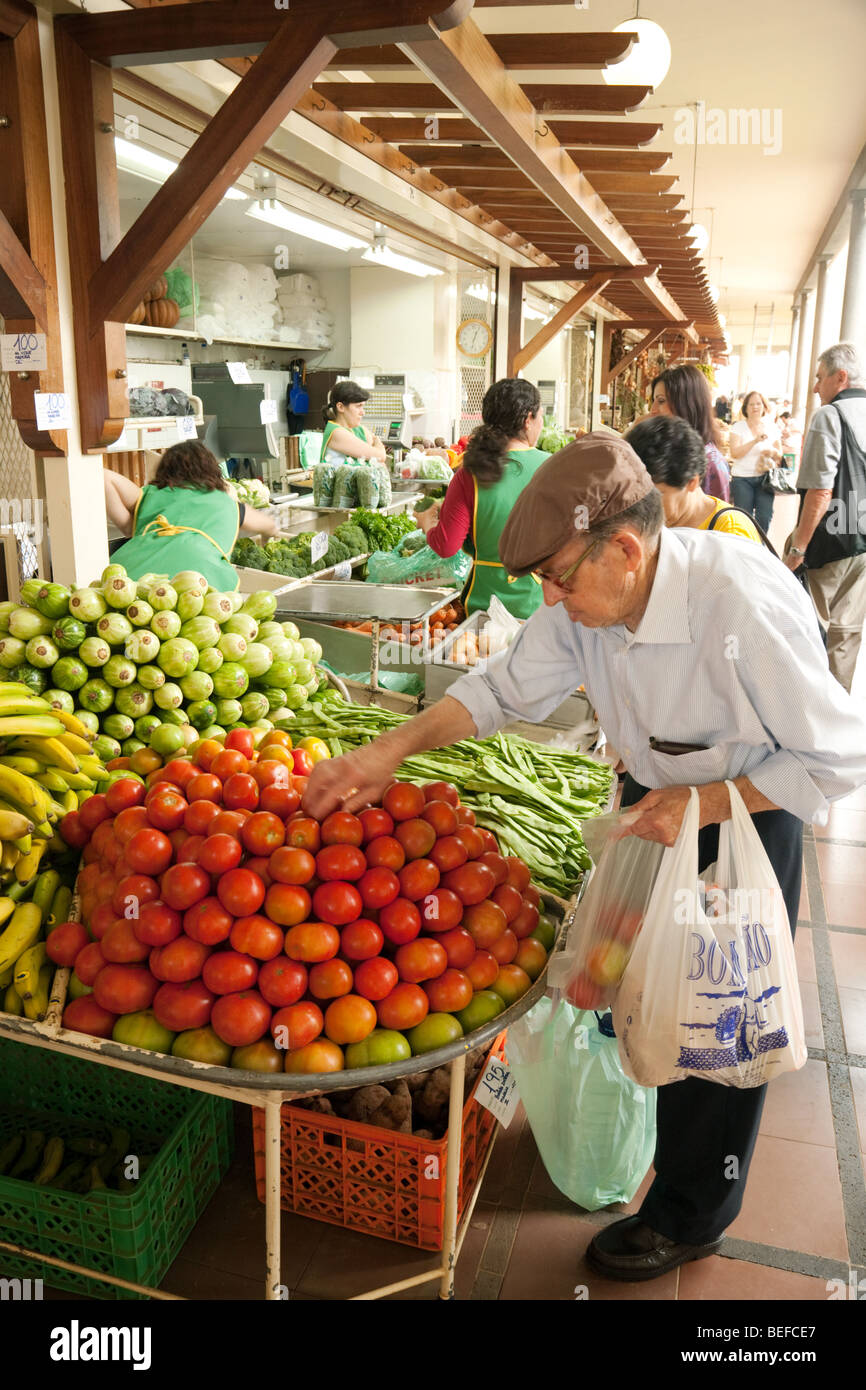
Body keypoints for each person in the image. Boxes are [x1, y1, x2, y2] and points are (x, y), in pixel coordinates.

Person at [303, 431, 866, 1282]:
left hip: (744, 818)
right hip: (652, 805)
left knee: (720, 1025)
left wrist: (707, 801)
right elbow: (498, 688)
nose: (553, 599)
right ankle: (659, 1154)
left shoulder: (738, 602)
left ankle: (693, 1214)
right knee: (641, 991)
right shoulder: (586, 605)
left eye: (560, 578)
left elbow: (839, 755)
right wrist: (388, 752)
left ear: (629, 550)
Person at [418, 378, 549, 618]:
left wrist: (427, 523)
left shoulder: (470, 471)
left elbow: (447, 546)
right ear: (528, 419)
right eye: (541, 416)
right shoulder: (555, 467)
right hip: (543, 604)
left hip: (486, 607)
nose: (541, 424)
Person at [783, 342, 866, 692]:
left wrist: (798, 548)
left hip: (830, 539)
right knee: (846, 633)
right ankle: (840, 718)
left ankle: (808, 710)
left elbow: (820, 490)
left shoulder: (829, 416)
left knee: (809, 627)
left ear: (840, 377)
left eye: (820, 378)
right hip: (863, 541)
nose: (816, 387)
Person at [104, 441, 278, 591]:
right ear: (211, 470)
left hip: (130, 577)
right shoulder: (227, 503)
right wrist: (265, 542)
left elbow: (104, 478)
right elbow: (270, 525)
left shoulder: (151, 494)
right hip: (199, 580)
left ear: (165, 470)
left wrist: (128, 526)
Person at [626, 415, 761, 542]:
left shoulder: (730, 533)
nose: (642, 506)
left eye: (654, 495)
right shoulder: (656, 525)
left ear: (691, 482)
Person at [649, 365, 730, 501]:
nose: (653, 409)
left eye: (661, 401)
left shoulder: (711, 462)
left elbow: (717, 517)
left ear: (686, 404)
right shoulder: (665, 450)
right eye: (653, 401)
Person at [728, 390, 783, 531]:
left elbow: (780, 455)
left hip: (765, 478)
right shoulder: (738, 427)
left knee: (765, 516)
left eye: (758, 403)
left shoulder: (772, 427)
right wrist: (755, 441)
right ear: (746, 408)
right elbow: (735, 453)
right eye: (751, 404)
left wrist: (772, 452)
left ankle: (760, 547)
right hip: (742, 479)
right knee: (743, 517)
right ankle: (744, 547)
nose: (755, 407)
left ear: (764, 407)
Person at [320, 381, 386, 466]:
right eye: (358, 406)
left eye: (363, 406)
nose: (363, 412)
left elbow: (379, 461)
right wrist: (378, 443)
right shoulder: (336, 432)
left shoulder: (359, 429)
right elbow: (380, 457)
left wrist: (377, 447)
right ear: (340, 407)